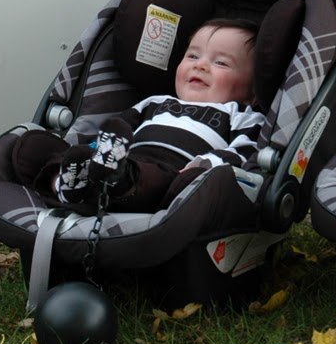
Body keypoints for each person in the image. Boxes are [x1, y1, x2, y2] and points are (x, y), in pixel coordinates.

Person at [15, 20, 268, 213]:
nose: (200, 65)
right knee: (36, 147)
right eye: (192, 55)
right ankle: (67, 182)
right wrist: (92, 149)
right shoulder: (156, 102)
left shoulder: (241, 116)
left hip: (172, 174)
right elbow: (117, 130)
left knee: (155, 179)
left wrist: (200, 167)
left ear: (252, 94)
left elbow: (243, 152)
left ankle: (104, 183)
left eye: (221, 63)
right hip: (119, 157)